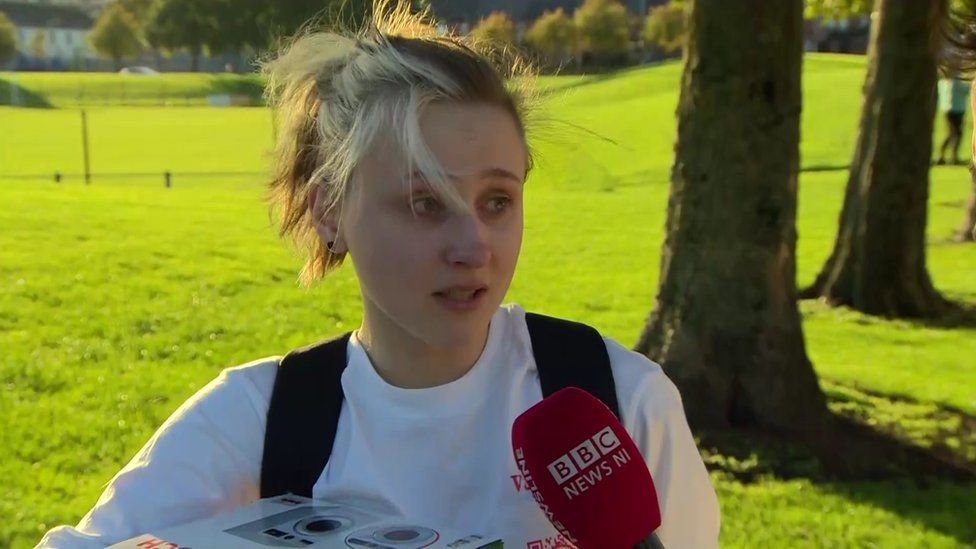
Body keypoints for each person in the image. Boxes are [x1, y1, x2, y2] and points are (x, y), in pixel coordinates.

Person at [36, 2, 720, 547]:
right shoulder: (262, 418)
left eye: (497, 201)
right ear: (329, 211)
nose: (472, 243)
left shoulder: (620, 399)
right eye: (426, 202)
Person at [936, 71, 970, 165]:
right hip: (957, 110)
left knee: (951, 134)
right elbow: (967, 90)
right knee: (957, 134)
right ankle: (953, 157)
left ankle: (942, 155)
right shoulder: (957, 82)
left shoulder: (943, 82)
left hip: (947, 110)